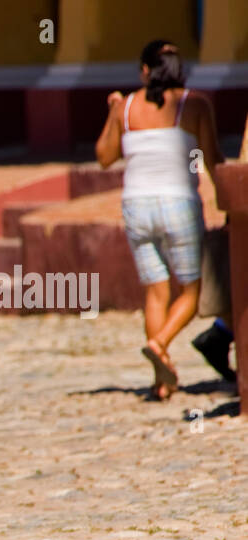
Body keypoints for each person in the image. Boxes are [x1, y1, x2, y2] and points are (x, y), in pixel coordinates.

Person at [96, 39, 223, 400]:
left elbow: (104, 157)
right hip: (178, 204)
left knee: (156, 291)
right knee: (191, 293)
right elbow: (213, 159)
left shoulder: (127, 107)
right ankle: (160, 342)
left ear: (144, 71)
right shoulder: (194, 104)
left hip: (136, 206)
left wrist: (114, 111)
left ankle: (162, 382)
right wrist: (228, 203)